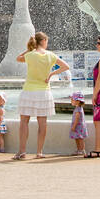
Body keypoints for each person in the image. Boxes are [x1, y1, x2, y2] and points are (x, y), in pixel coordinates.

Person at [13, 32, 69, 160]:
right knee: (42, 123)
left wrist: (29, 49)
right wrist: (51, 74)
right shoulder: (50, 55)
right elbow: (66, 66)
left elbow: (18, 58)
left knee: (24, 122)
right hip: (44, 91)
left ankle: (22, 152)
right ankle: (39, 152)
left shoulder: (30, 55)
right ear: (43, 41)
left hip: (28, 91)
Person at [68, 90, 88, 156]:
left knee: (80, 138)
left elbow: (77, 119)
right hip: (78, 126)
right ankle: (79, 149)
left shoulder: (78, 109)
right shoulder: (78, 108)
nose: (71, 101)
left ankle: (82, 150)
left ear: (78, 101)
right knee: (77, 138)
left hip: (78, 126)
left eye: (72, 99)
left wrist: (74, 126)